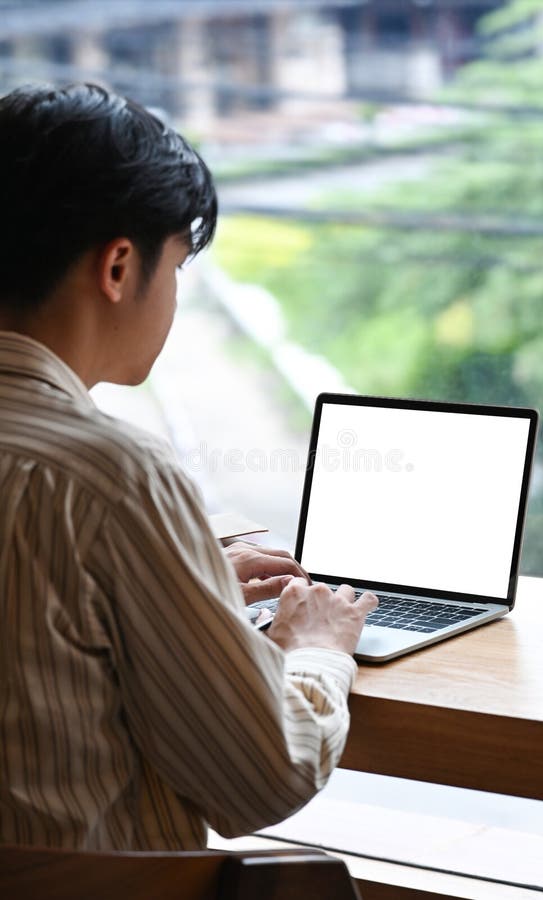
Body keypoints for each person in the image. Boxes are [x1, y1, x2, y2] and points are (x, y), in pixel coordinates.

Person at [0, 83, 377, 851]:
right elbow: (265, 775)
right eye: (176, 267)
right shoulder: (114, 476)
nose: (172, 296)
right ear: (118, 266)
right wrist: (318, 647)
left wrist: (186, 579)